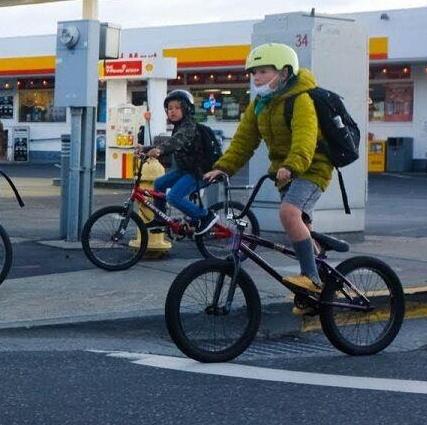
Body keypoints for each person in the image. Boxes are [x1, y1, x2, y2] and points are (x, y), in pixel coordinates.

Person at [203, 43, 333, 310]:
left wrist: (293, 165)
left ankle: (311, 278)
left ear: (284, 72)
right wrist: (224, 167)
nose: (257, 78)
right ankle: (320, 284)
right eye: (254, 73)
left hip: (312, 167)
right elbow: (243, 141)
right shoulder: (260, 105)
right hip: (285, 172)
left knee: (288, 213)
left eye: (263, 71)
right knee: (300, 224)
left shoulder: (301, 99)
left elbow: (305, 140)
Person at [137, 90, 214, 231]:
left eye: (177, 108)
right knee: (159, 183)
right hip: (185, 170)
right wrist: (145, 149)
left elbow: (176, 142)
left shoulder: (190, 127)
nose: (172, 111)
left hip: (199, 172)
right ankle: (160, 219)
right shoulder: (179, 126)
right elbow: (171, 141)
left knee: (173, 197)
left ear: (187, 109)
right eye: (170, 108)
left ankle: (206, 216)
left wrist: (159, 151)